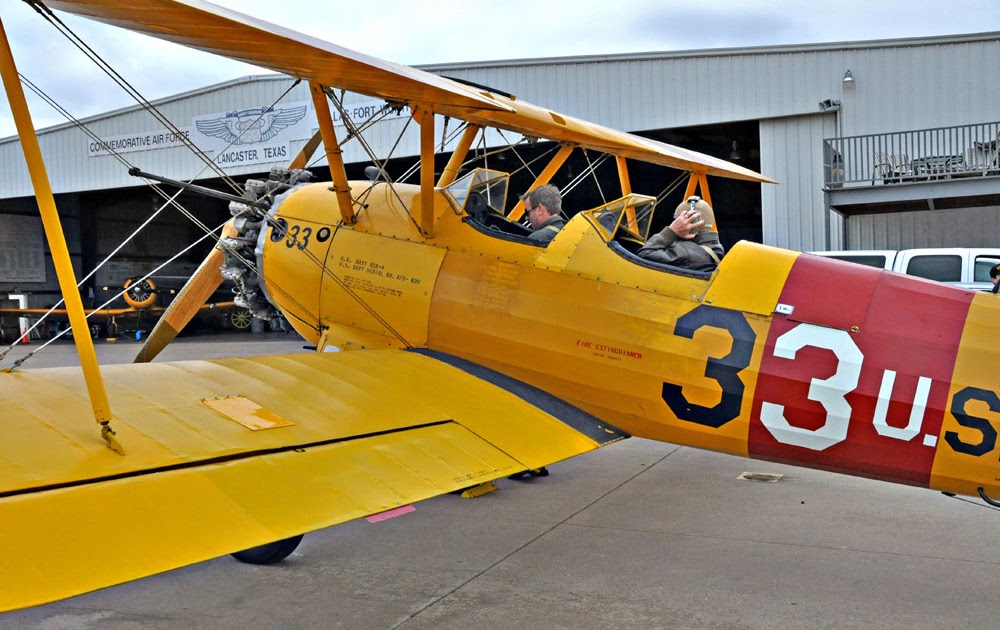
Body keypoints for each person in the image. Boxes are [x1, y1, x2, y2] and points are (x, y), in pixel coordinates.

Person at [637, 196, 724, 271]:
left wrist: (671, 231)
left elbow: (643, 255)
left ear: (693, 221)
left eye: (678, 220)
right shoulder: (715, 248)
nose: (674, 223)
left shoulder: (686, 252)